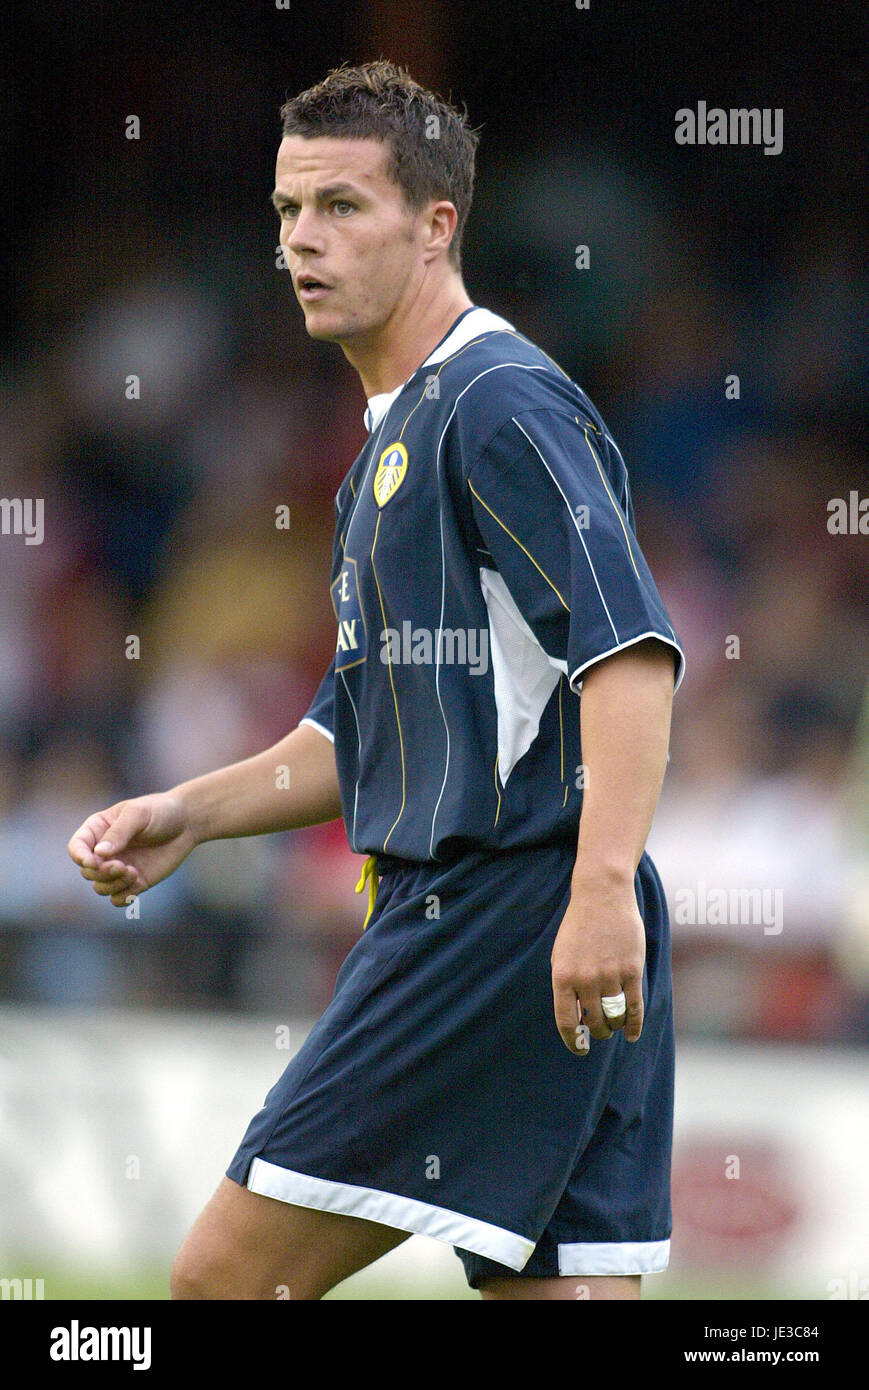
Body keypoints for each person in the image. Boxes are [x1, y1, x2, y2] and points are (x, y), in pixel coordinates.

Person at [68, 59, 685, 1301]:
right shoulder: (394, 439)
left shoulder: (493, 403)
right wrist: (190, 812)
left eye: (343, 206)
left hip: (501, 912)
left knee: (221, 1284)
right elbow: (365, 731)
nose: (302, 239)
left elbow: (629, 656)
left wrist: (600, 887)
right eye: (289, 210)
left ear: (435, 224)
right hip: (542, 912)